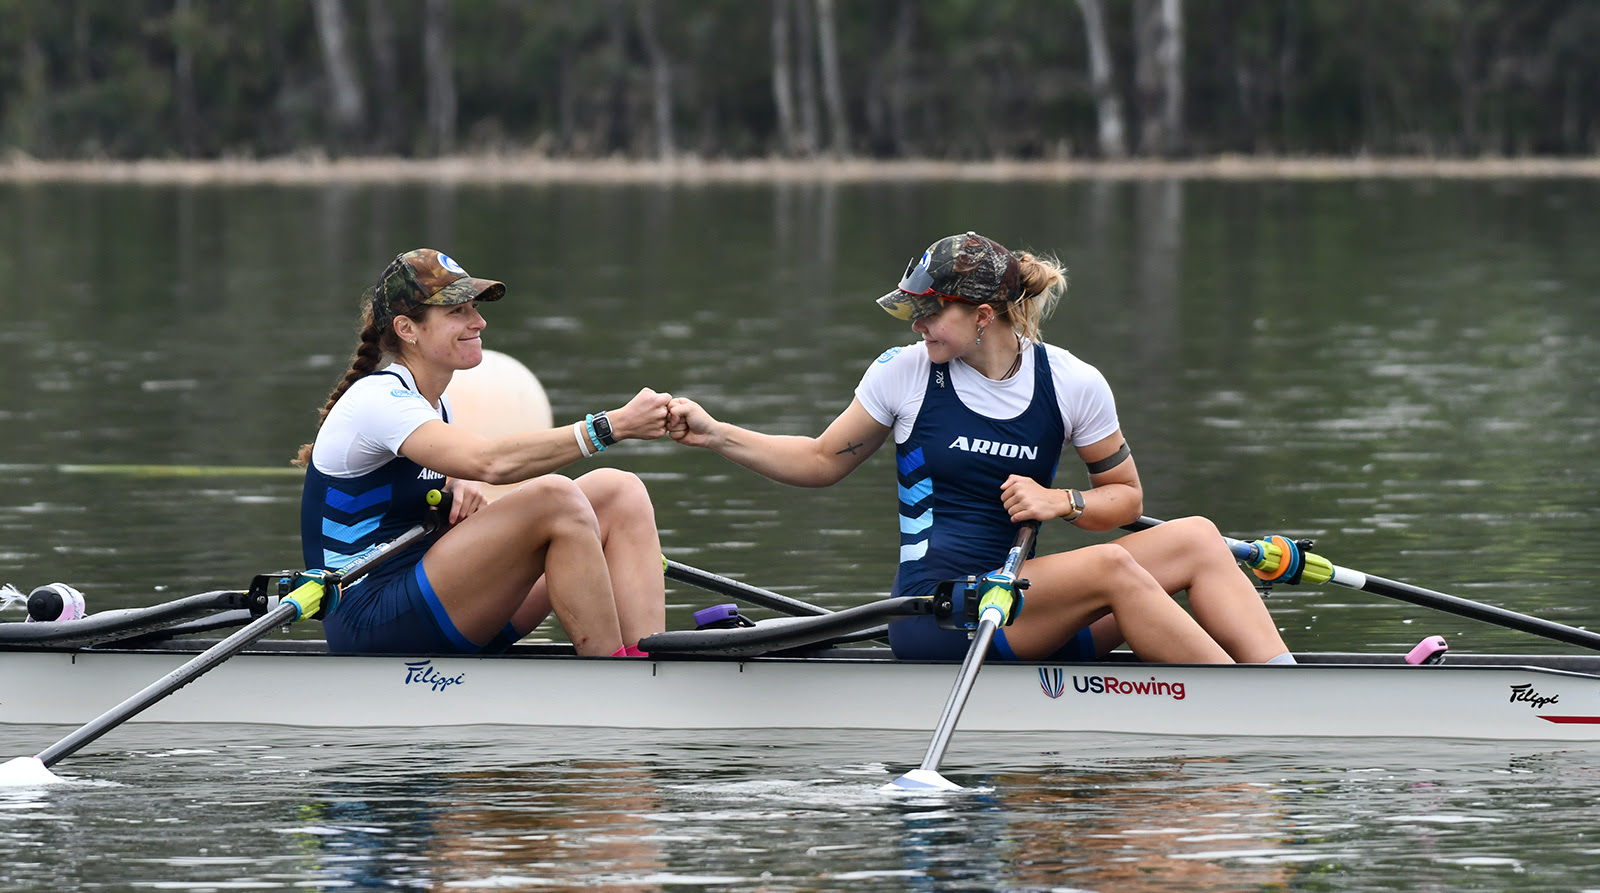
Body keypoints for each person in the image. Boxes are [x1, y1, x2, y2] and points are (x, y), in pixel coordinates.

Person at [666, 232, 1292, 665]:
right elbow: (819, 461)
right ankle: (1253, 708)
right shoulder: (905, 373)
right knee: (1111, 568)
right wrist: (716, 432)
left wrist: (1061, 501)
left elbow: (1125, 500)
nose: (918, 327)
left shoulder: (1072, 381)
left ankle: (1284, 683)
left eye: (931, 312)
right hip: (940, 615)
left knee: (1200, 538)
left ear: (985, 315)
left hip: (1021, 609)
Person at [293, 248, 669, 657]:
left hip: (434, 601)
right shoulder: (377, 399)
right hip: (371, 617)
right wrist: (610, 427)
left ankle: (649, 658)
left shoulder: (434, 403)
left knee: (619, 491)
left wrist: (456, 480)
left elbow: (452, 467)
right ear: (407, 328)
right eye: (457, 312)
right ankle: (616, 683)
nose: (479, 322)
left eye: (473, 308)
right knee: (556, 499)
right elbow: (490, 461)